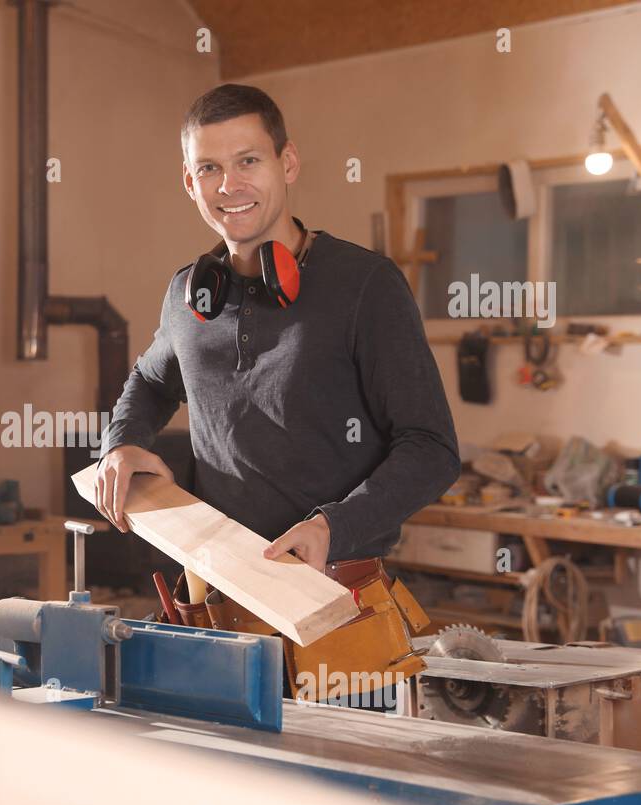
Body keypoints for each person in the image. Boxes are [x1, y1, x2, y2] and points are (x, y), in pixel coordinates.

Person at [94, 83, 460, 582]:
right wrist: (123, 441)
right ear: (189, 180)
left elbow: (431, 447)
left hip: (333, 592)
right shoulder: (188, 293)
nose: (228, 185)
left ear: (287, 163)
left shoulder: (365, 285)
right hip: (215, 590)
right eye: (209, 168)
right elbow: (152, 380)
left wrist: (335, 525)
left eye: (248, 161)